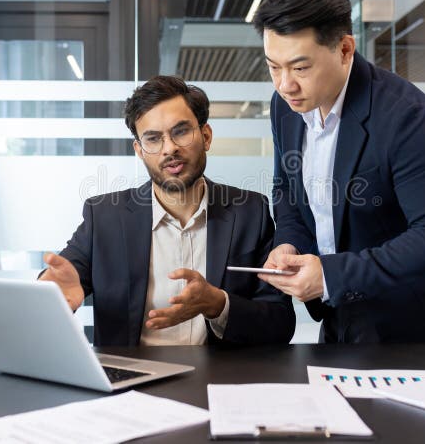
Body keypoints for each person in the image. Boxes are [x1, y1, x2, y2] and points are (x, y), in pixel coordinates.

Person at [252, 0, 425, 343]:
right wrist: (288, 243)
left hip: (415, 323)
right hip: (342, 312)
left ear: (344, 50)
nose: (284, 84)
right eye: (273, 66)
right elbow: (288, 190)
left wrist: (330, 276)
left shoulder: (409, 118)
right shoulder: (285, 107)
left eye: (299, 67)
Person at [40, 75, 295, 347]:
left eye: (181, 131)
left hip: (219, 381)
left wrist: (218, 305)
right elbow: (63, 281)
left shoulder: (250, 212)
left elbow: (280, 323)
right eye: (153, 138)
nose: (169, 148)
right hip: (131, 380)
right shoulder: (104, 217)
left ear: (206, 136)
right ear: (139, 150)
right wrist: (52, 295)